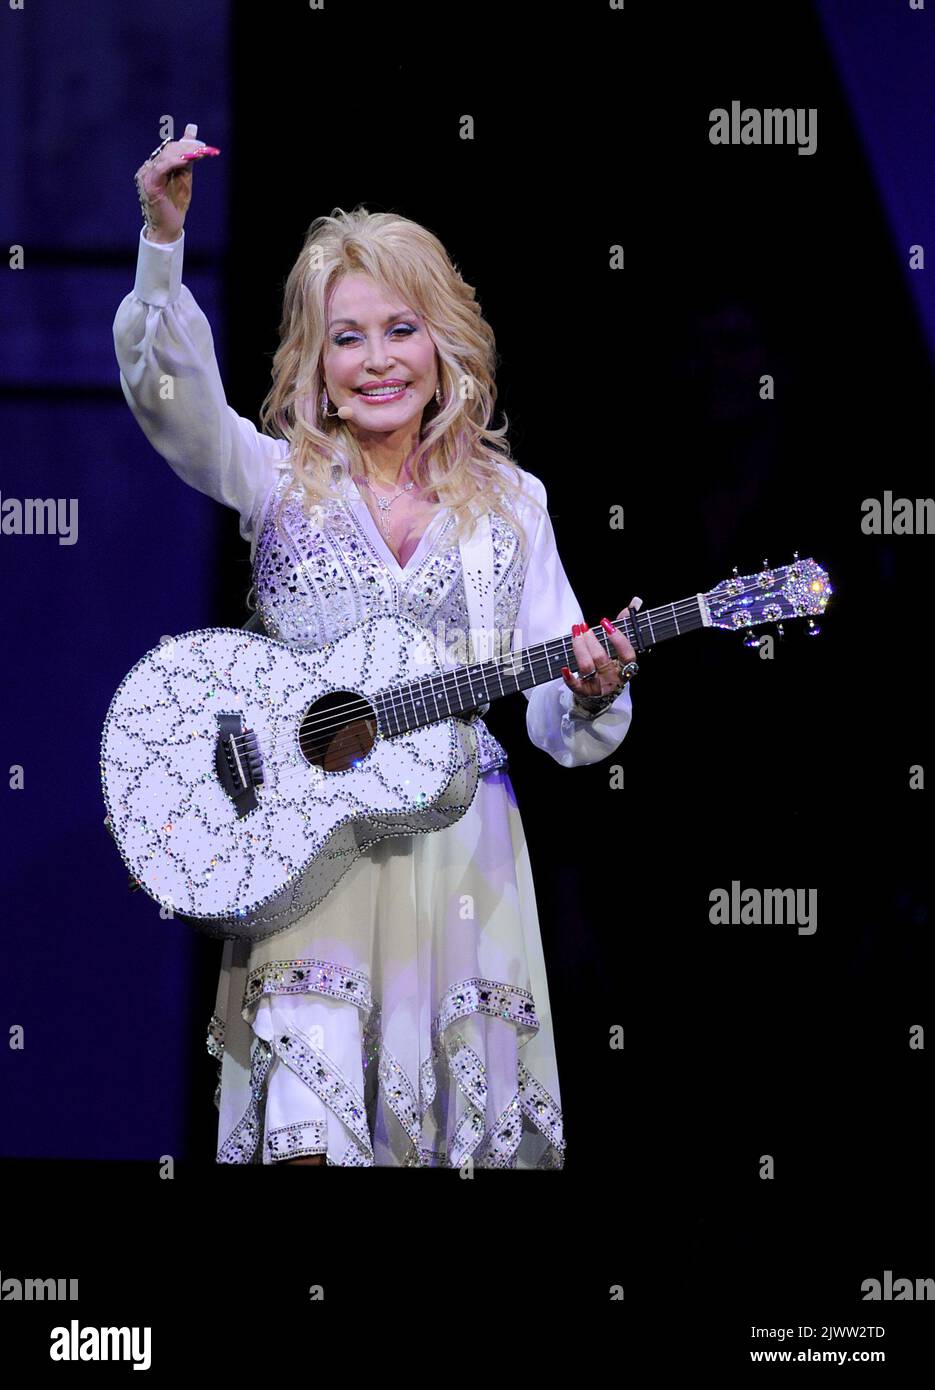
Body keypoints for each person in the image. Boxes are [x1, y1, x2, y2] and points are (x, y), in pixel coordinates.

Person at [114, 122, 638, 1169]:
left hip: (461, 862)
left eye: (400, 328)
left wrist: (588, 685)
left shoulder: (510, 507)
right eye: (345, 336)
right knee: (309, 1142)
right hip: (309, 860)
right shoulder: (274, 481)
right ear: (313, 360)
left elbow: (555, 710)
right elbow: (171, 406)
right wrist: (162, 242)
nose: (375, 360)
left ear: (442, 343)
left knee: (448, 1147)